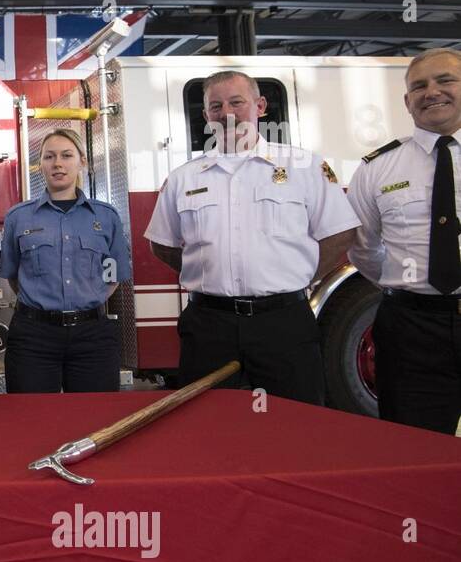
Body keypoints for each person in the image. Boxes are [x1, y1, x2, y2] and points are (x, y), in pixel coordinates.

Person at [145, 70, 359, 404]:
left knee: (296, 420)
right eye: (215, 106)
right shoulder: (183, 178)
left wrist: (301, 277)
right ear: (205, 116)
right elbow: (162, 244)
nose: (226, 114)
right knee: (207, 423)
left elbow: (341, 232)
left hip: (284, 322)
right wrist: (206, 270)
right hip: (208, 325)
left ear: (260, 106)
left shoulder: (304, 167)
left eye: (237, 102)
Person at [347, 47, 461, 435]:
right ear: (407, 102)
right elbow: (362, 246)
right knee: (414, 441)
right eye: (419, 86)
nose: (432, 92)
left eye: (445, 80)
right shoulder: (377, 168)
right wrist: (406, 285)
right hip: (411, 329)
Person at [0, 129, 131, 392]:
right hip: (33, 338)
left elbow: (113, 276)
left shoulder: (106, 217)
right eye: (49, 156)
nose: (58, 163)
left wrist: (86, 303)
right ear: (40, 166)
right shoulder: (18, 218)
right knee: (31, 418)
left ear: (82, 161)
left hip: (92, 337)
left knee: (95, 419)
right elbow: (13, 275)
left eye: (67, 155)